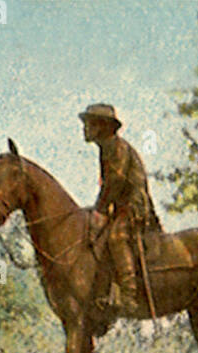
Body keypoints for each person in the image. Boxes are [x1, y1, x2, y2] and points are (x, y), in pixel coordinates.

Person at [79, 103, 161, 312]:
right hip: (119, 204)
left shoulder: (118, 148)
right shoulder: (105, 148)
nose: (85, 128)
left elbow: (115, 182)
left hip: (134, 203)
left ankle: (129, 294)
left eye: (89, 124)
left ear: (102, 126)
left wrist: (100, 209)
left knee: (116, 236)